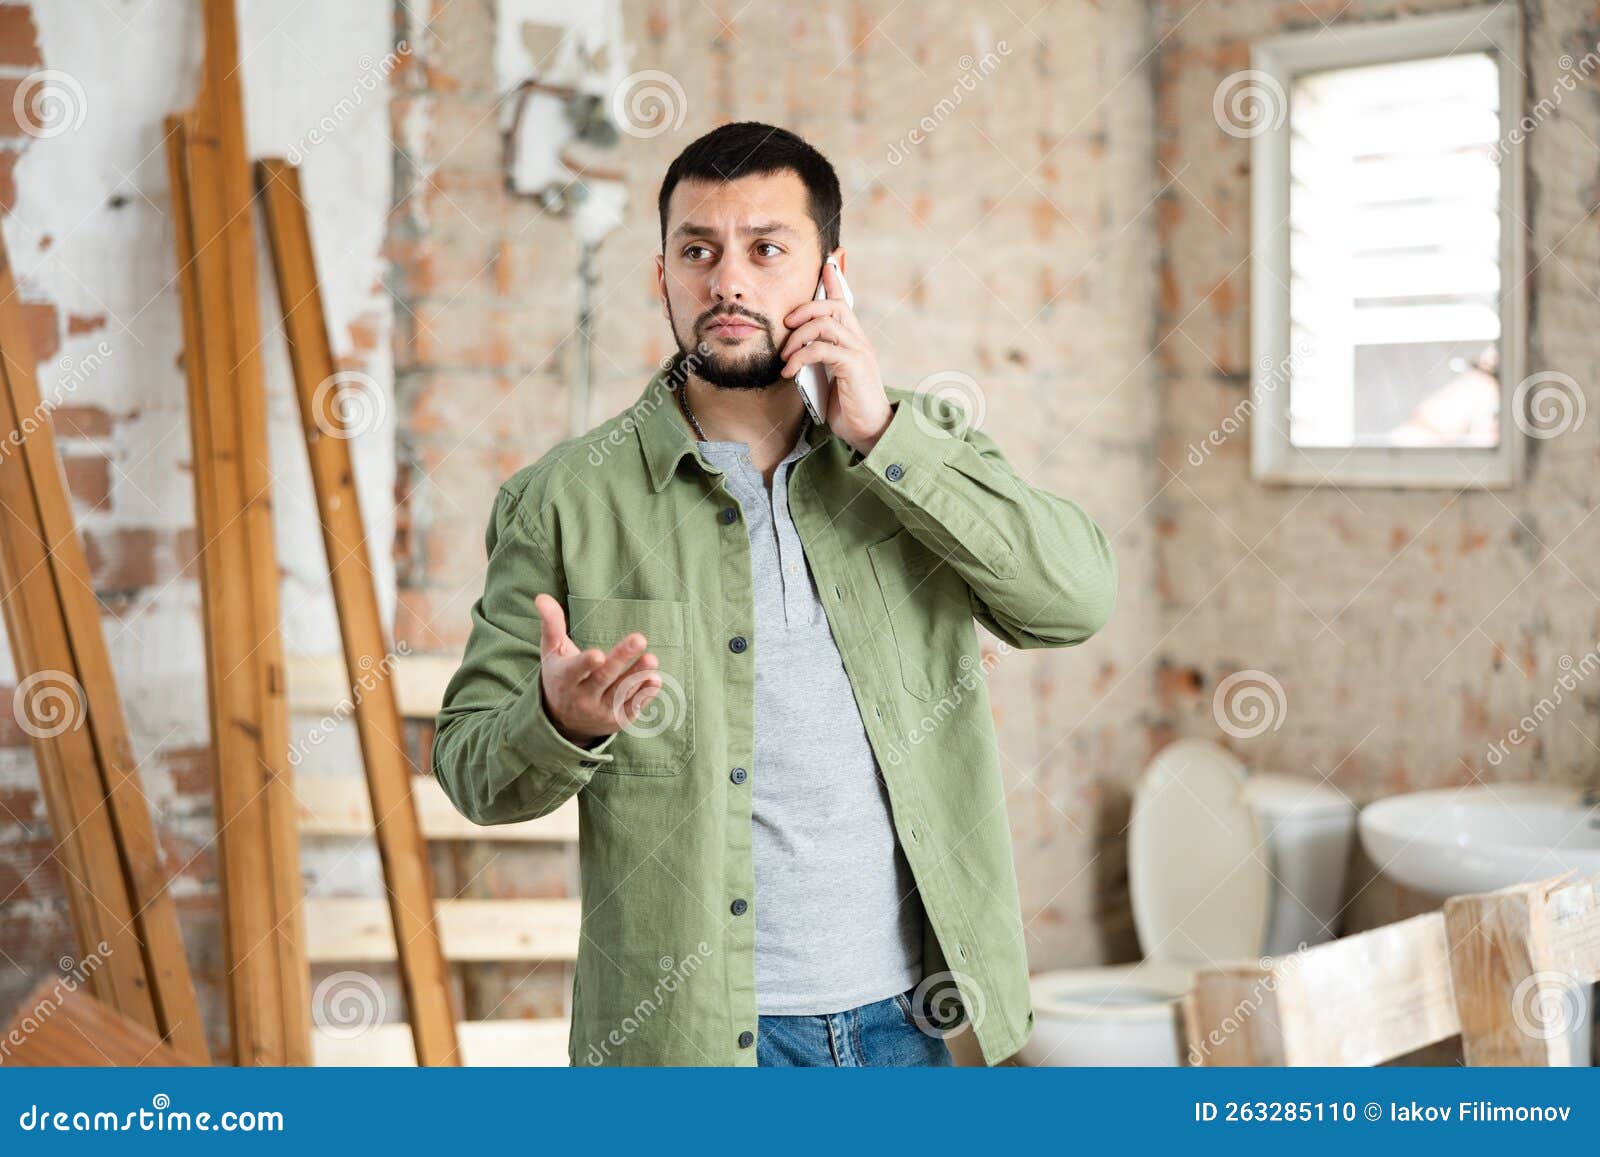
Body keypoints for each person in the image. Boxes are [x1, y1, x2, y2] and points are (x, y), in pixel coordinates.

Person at [433, 121, 1117, 1067]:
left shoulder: (921, 449)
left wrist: (883, 436)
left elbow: (1074, 598)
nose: (729, 282)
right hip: (694, 1044)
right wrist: (559, 717)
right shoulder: (563, 500)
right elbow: (471, 768)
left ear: (830, 274)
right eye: (698, 250)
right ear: (661, 275)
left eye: (766, 248)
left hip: (915, 1030)